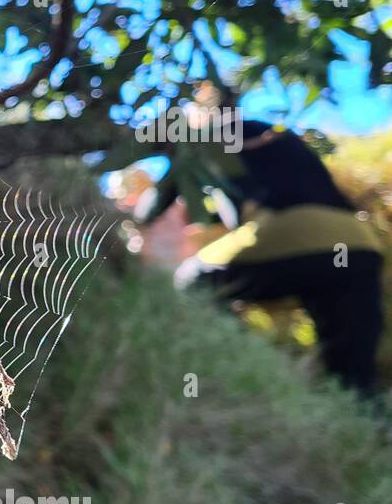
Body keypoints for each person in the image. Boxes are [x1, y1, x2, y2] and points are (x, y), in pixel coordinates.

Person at [138, 120, 385, 397]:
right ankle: (367, 430)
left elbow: (155, 206)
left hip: (294, 231)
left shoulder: (202, 143)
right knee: (353, 377)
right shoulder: (260, 132)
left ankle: (245, 374)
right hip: (357, 241)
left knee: (192, 279)